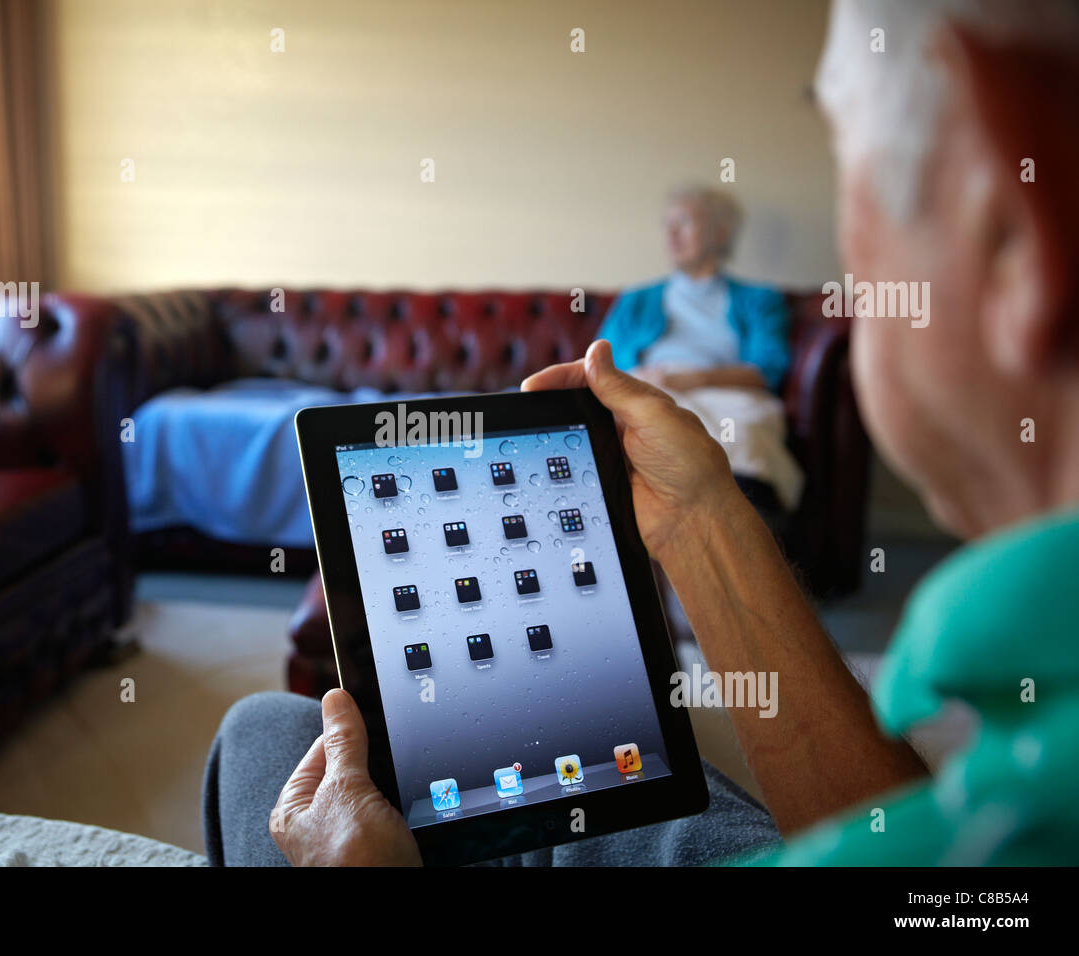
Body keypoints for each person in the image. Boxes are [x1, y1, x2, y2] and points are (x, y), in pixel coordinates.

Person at [203, 0, 1079, 866]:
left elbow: (759, 368)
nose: (677, 234)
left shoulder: (748, 303)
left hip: (716, 397)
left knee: (265, 733)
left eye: (842, 147)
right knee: (554, 774)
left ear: (1004, 209)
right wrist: (699, 512)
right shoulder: (996, 805)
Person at [598, 187, 802, 519]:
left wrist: (695, 379)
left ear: (721, 232)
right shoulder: (637, 299)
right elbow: (603, 362)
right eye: (667, 224)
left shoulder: (760, 299)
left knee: (747, 427)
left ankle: (740, 527)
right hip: (648, 384)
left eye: (685, 222)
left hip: (721, 389)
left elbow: (768, 371)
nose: (671, 233)